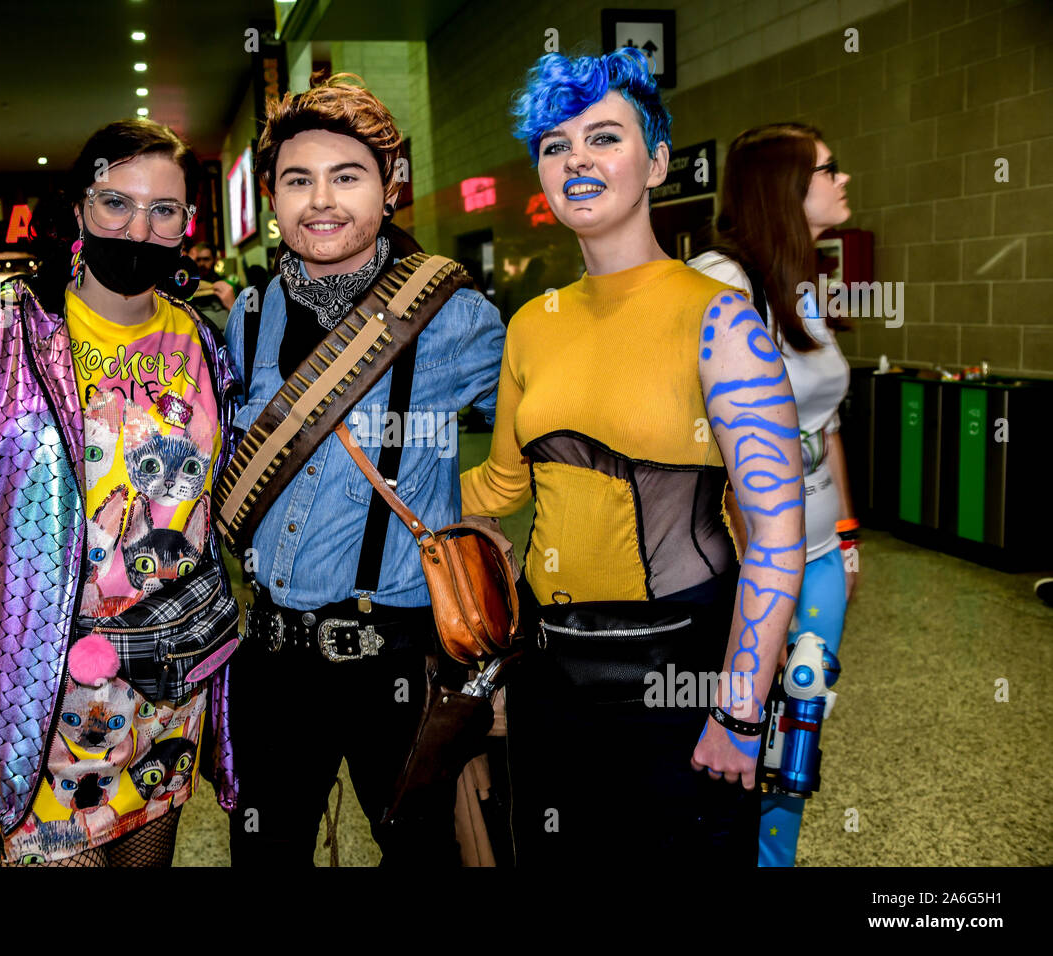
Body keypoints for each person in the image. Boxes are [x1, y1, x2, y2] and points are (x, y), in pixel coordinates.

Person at [460, 49, 806, 866]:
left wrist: (740, 712)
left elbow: (777, 537)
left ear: (654, 163)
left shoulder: (721, 323)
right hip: (552, 681)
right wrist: (379, 480)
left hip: (681, 681)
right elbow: (502, 483)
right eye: (555, 144)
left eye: (603, 137)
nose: (576, 158)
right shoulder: (532, 324)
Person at [0, 119, 242, 866]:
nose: (140, 228)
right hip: (33, 695)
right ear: (80, 208)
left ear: (187, 224)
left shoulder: (203, 344)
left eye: (165, 211)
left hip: (166, 694)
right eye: (117, 203)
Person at [221, 74, 504, 866]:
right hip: (272, 661)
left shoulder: (454, 317)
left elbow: (542, 417)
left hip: (400, 663)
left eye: (347, 177)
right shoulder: (244, 323)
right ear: (273, 199)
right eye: (298, 180)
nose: (322, 201)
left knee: (420, 853)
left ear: (387, 190)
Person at [688, 123, 856, 867]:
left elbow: (828, 424)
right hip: (763, 567)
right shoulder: (722, 283)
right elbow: (707, 451)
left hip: (822, 556)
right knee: (744, 740)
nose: (843, 180)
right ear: (785, 189)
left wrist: (847, 539)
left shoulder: (798, 284)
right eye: (829, 169)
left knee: (799, 733)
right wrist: (767, 582)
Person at [187, 241, 236, 332]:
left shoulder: (228, 286)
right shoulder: (186, 289)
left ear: (215, 260)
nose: (201, 264)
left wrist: (232, 305)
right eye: (198, 260)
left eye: (206, 259)